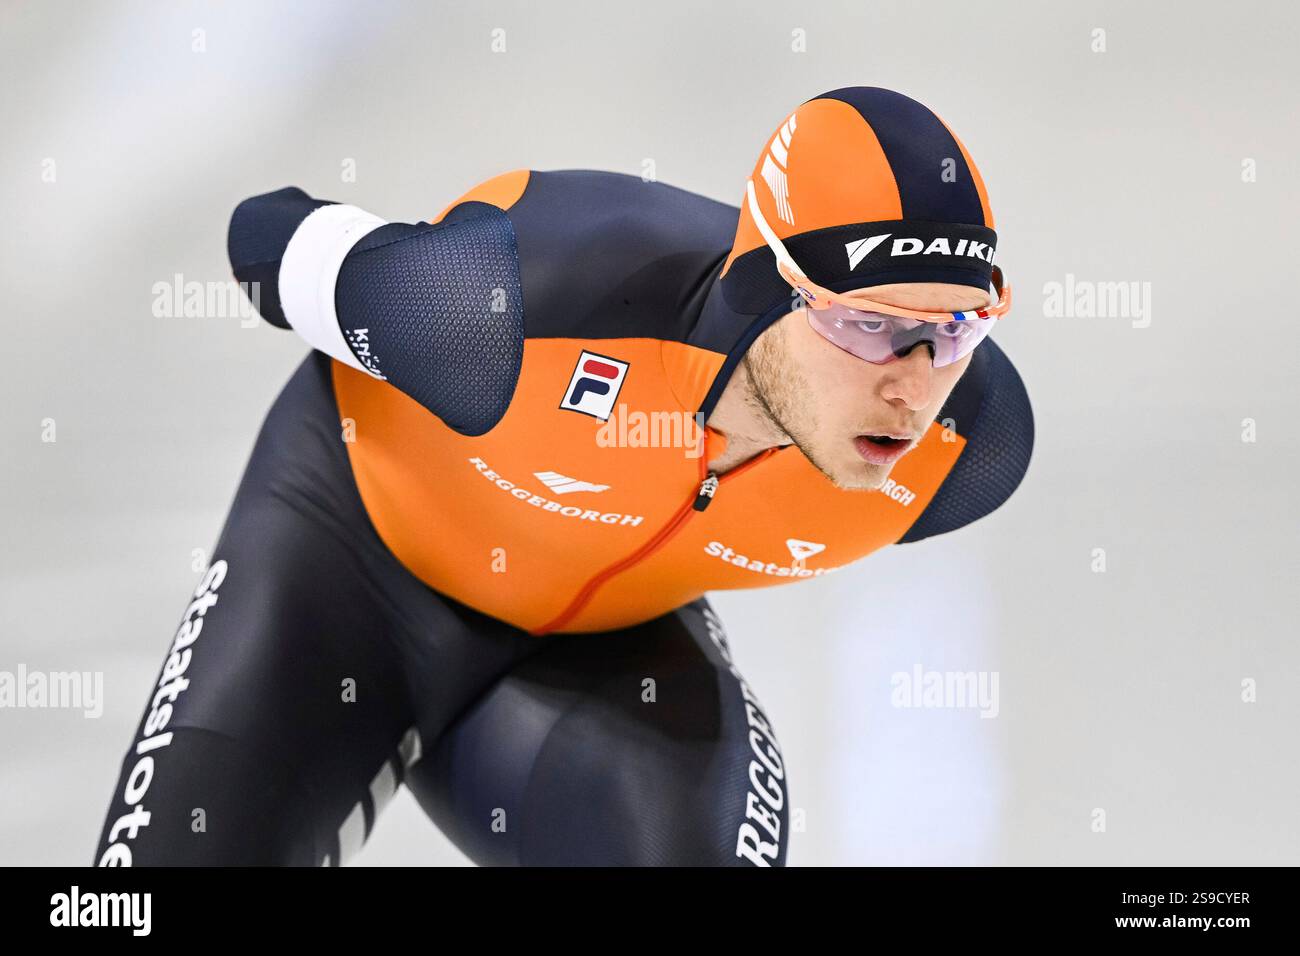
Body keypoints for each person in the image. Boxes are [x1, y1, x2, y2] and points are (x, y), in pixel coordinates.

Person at [95, 86, 1033, 867]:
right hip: (345, 580)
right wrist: (363, 272)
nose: (912, 384)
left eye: (955, 328)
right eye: (867, 322)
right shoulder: (493, 317)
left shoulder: (967, 450)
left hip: (599, 654)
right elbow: (266, 232)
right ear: (769, 284)